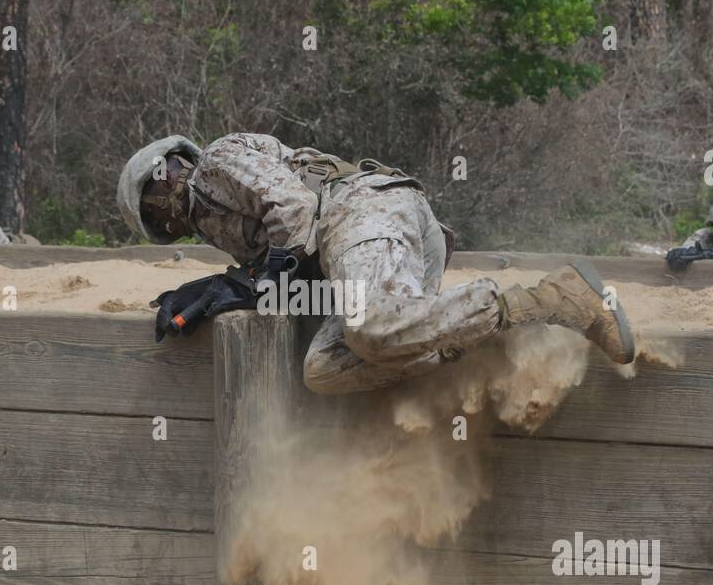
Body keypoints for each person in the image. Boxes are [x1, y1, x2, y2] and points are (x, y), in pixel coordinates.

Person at [118, 133, 636, 395]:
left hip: (364, 209)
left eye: (153, 211)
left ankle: (553, 297)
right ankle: (486, 341)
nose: (163, 223)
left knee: (370, 328)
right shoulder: (216, 224)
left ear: (164, 178)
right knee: (324, 370)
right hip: (359, 240)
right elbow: (302, 274)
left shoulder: (216, 163)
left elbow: (296, 210)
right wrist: (248, 282)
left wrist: (262, 279)